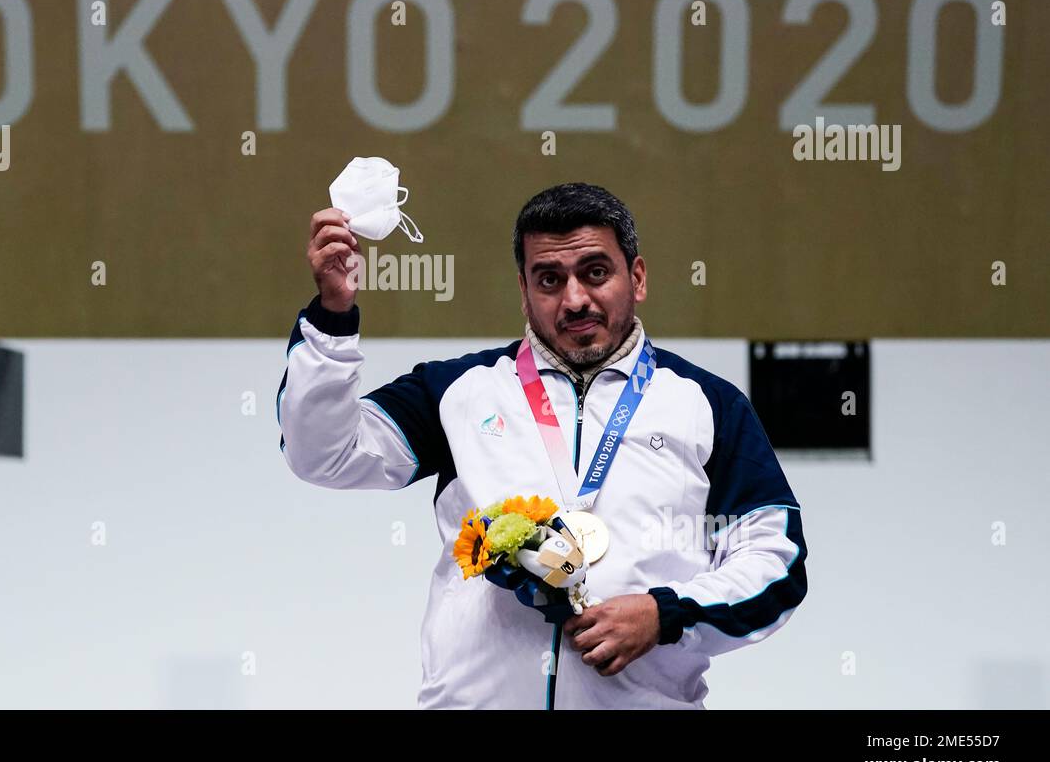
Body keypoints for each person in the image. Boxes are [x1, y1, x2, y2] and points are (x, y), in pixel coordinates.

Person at [276, 182, 809, 709]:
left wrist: (666, 613)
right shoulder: (459, 391)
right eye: (549, 279)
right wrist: (333, 316)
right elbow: (325, 453)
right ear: (524, 291)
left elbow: (775, 564)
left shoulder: (707, 404)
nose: (575, 299)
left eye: (595, 273)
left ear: (637, 277)